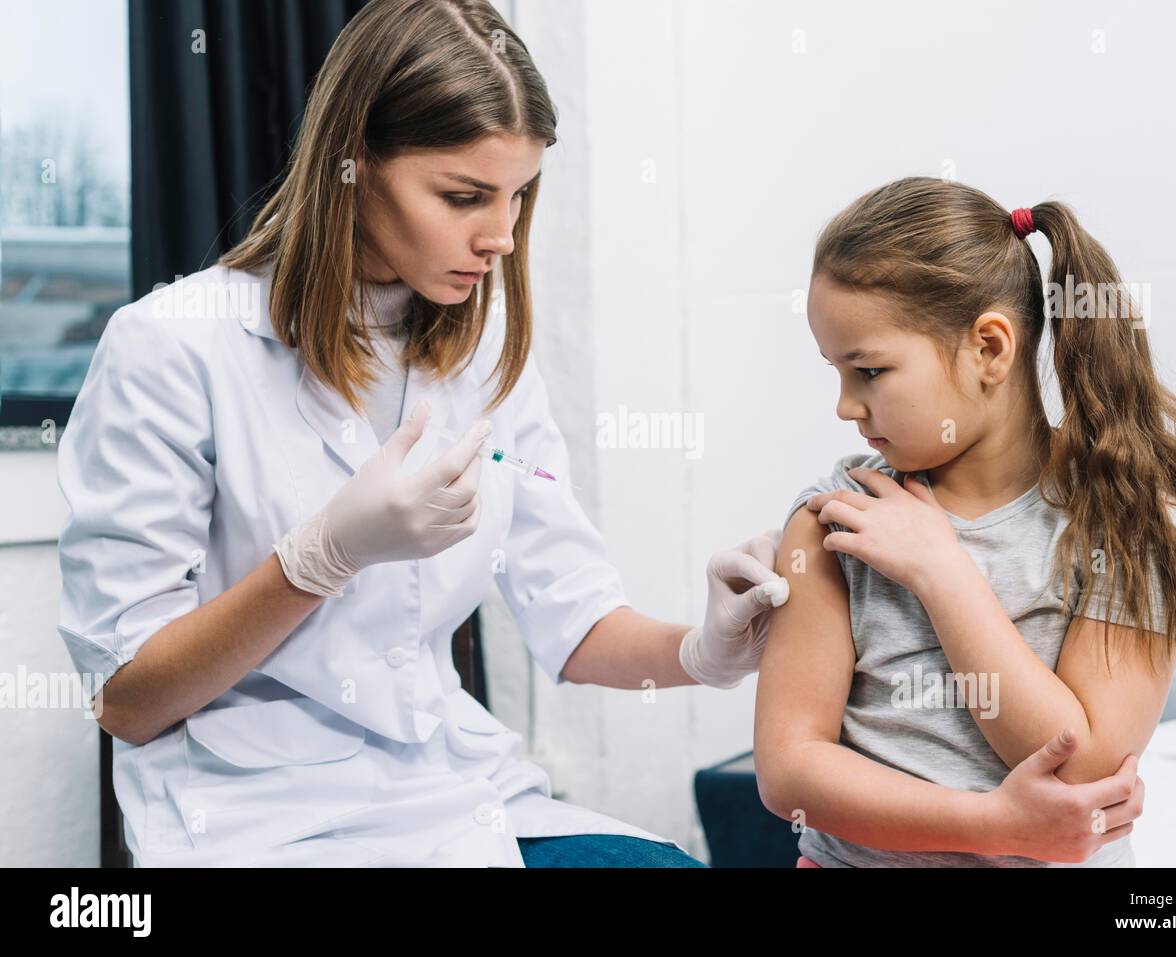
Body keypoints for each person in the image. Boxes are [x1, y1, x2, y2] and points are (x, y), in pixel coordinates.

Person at [54, 0, 784, 868]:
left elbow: (575, 617)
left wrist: (704, 651)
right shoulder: (171, 347)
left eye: (518, 195)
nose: (501, 237)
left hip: (458, 797)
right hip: (253, 818)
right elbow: (128, 700)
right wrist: (319, 556)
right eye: (464, 196)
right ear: (352, 163)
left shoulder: (481, 349)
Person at [754, 177, 1176, 867]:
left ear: (989, 348)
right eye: (836, 371)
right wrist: (994, 824)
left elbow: (1083, 767)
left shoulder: (1129, 520)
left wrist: (944, 574)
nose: (844, 405)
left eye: (868, 370)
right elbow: (788, 769)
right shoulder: (838, 519)